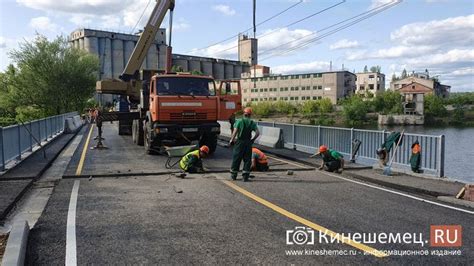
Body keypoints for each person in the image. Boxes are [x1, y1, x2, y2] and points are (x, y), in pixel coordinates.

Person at [229, 107, 260, 181]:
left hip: (239, 142)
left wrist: (231, 140)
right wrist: (253, 139)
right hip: (248, 142)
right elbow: (258, 133)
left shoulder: (239, 121)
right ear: (250, 115)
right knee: (247, 159)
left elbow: (235, 131)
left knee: (237, 158)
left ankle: (234, 175)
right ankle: (245, 176)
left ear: (244, 114)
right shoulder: (252, 122)